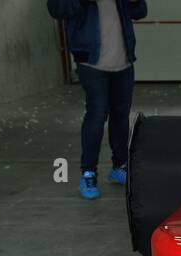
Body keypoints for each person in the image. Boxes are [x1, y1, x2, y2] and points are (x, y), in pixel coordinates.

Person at [48, 0, 149, 199]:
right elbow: (57, 9)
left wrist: (135, 2)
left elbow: (140, 12)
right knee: (97, 113)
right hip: (91, 62)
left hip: (123, 61)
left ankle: (119, 166)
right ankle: (89, 173)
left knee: (120, 115)